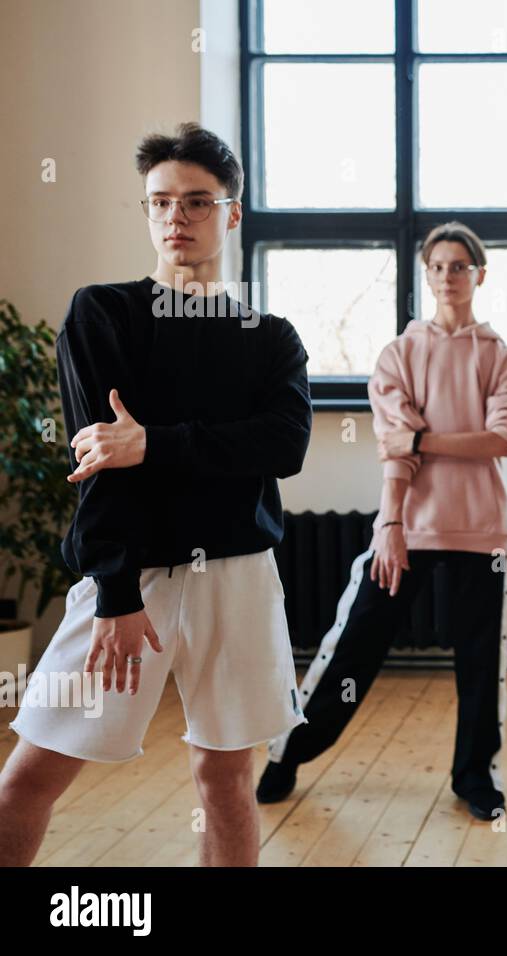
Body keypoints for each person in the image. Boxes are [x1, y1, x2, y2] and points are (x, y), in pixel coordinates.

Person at [0, 123, 312, 867]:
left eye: (198, 202)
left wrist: (155, 442)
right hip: (130, 575)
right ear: (146, 212)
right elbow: (97, 462)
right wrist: (114, 593)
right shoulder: (101, 313)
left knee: (227, 777)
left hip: (237, 573)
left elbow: (284, 445)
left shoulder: (270, 336)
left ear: (231, 213)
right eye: (162, 202)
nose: (178, 218)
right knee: (32, 773)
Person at [256, 222, 507, 823]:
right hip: (406, 529)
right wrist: (391, 523)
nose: (448, 276)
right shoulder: (399, 355)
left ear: (479, 275)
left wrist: (423, 437)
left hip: (482, 531)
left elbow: (503, 437)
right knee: (351, 650)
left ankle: (475, 778)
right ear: (426, 275)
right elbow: (395, 449)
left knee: (482, 666)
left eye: (460, 266)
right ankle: (288, 755)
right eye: (438, 266)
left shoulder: (502, 357)